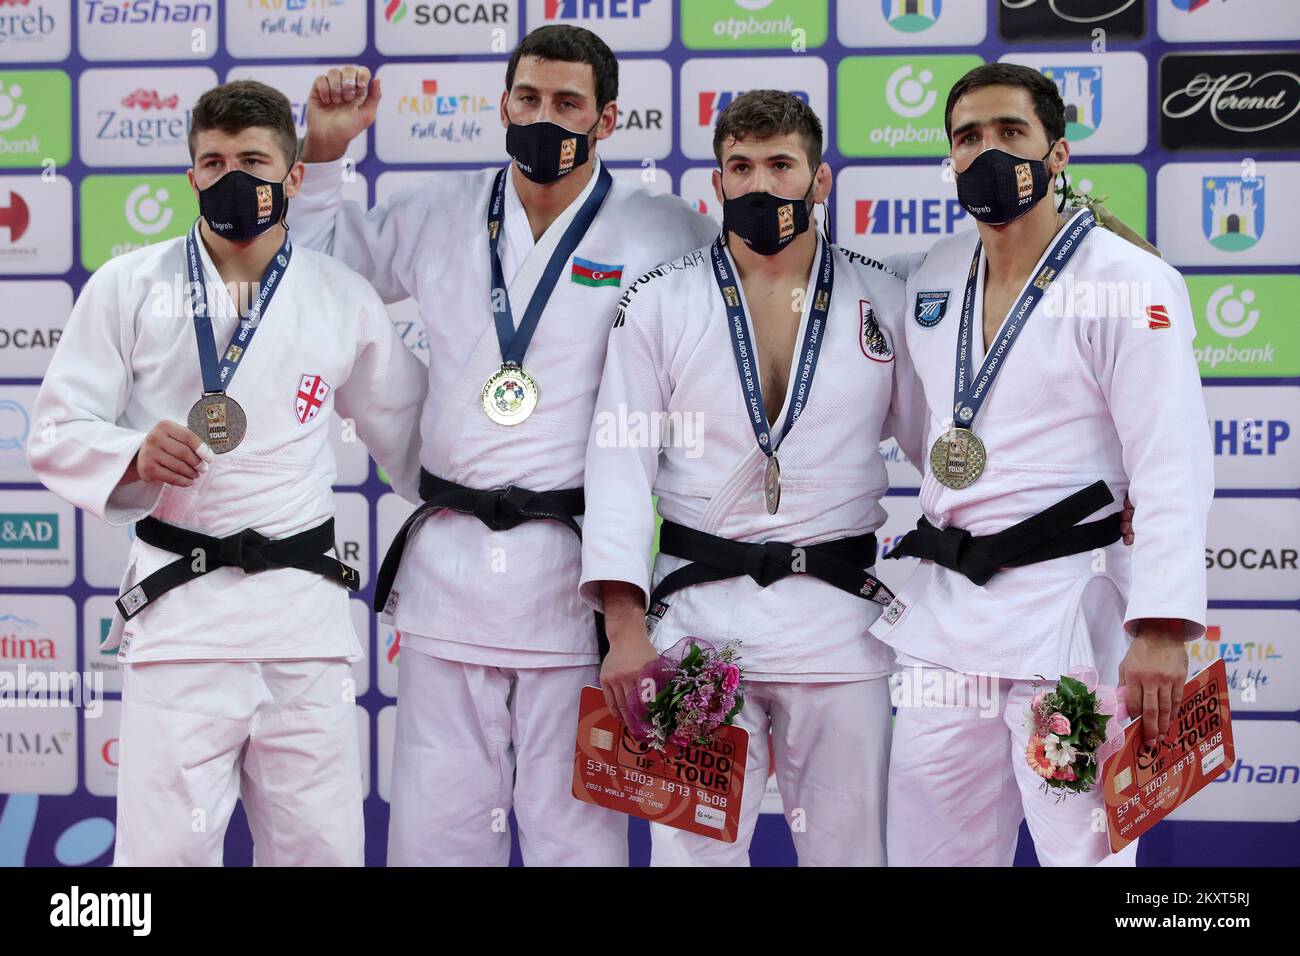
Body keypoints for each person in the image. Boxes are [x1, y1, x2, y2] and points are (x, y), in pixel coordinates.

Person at [292, 25, 717, 866]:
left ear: (607, 121)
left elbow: (730, 344)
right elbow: (312, 277)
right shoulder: (437, 211)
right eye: (528, 99)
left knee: (573, 839)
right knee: (436, 835)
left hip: (576, 583)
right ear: (502, 105)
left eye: (567, 104)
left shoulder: (662, 230)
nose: (543, 118)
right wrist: (325, 157)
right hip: (450, 578)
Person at [28, 80, 428, 866]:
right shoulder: (129, 287)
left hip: (301, 624)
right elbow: (54, 429)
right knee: (163, 857)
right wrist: (131, 454)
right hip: (182, 616)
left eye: (253, 158)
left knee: (322, 853)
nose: (232, 175)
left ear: (293, 176)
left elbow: (417, 438)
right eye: (213, 161)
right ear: (191, 179)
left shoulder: (340, 298)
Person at [871, 63, 1212, 866]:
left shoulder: (1129, 282)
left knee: (1085, 855)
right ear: (949, 159)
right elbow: (937, 441)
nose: (987, 152)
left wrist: (1159, 627)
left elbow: (1171, 460)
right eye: (968, 138)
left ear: (1057, 152)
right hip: (948, 621)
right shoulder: (937, 276)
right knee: (929, 853)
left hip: (1068, 617)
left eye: (1009, 133)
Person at [581, 90, 927, 866]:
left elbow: (949, 446)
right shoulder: (660, 299)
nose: (761, 184)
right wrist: (624, 629)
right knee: (692, 858)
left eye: (781, 165)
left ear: (821, 180)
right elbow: (618, 468)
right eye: (741, 167)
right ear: (717, 184)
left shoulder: (883, 297)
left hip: (839, 629)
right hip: (700, 625)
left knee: (850, 853)